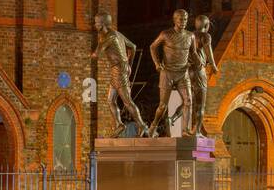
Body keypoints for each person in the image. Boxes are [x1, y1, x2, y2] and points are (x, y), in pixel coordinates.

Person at [91, 12, 148, 138]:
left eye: (97, 22)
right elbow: (132, 47)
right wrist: (129, 64)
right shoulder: (116, 33)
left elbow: (98, 52)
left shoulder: (108, 36)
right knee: (110, 100)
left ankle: (142, 124)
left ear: (103, 24)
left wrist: (93, 53)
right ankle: (119, 125)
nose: (95, 25)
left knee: (127, 101)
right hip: (118, 68)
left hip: (119, 69)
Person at [149, 9, 199, 138]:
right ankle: (154, 125)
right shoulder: (166, 34)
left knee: (188, 101)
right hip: (168, 73)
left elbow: (193, 52)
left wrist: (199, 62)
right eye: (181, 19)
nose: (183, 22)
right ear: (174, 20)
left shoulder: (190, 35)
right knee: (163, 106)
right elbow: (153, 46)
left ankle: (185, 130)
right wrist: (157, 63)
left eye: (186, 19)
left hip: (183, 73)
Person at [187, 14, 219, 136]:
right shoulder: (205, 36)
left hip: (187, 71)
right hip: (199, 70)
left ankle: (182, 125)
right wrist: (214, 66)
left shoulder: (189, 35)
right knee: (200, 103)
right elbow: (208, 51)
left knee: (189, 101)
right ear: (206, 25)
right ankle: (197, 131)